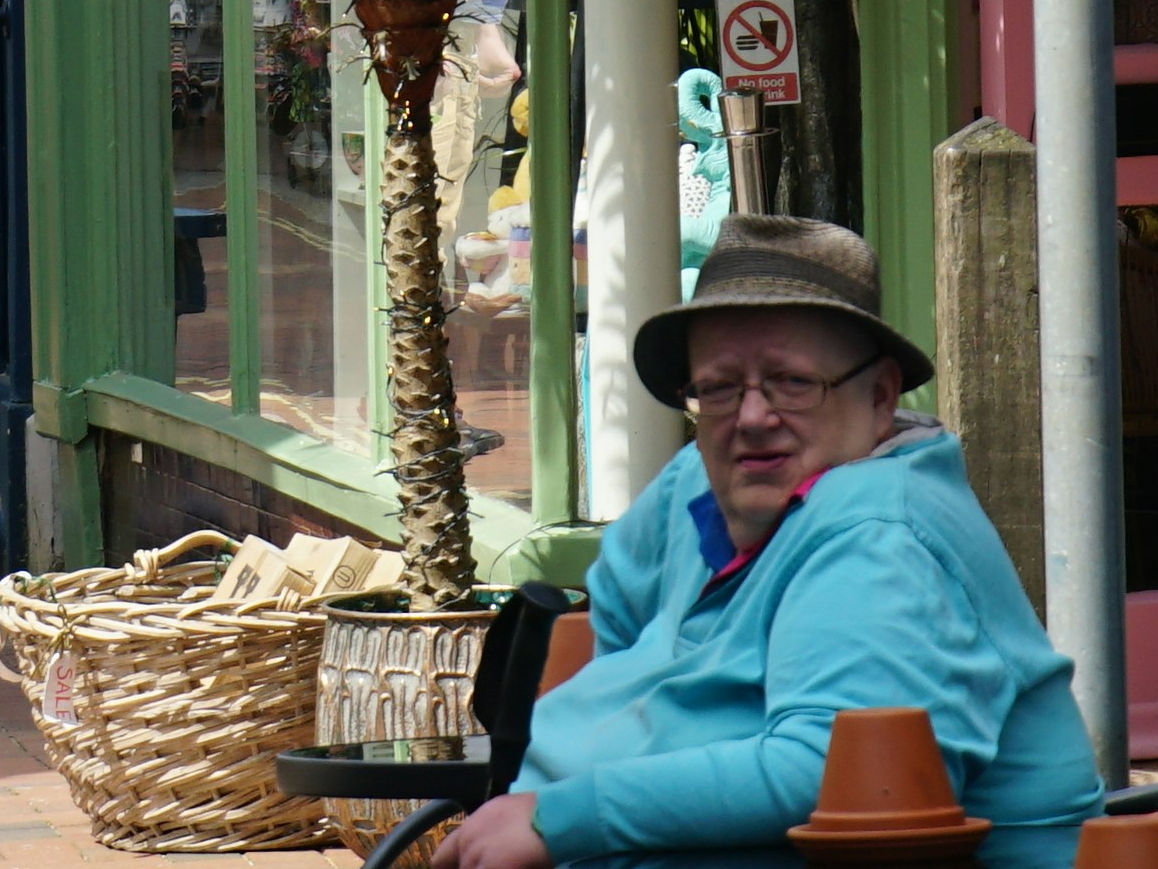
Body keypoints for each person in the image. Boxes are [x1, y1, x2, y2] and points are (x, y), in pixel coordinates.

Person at [435, 216, 1098, 869]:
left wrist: (563, 817)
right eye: (719, 388)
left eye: (793, 382)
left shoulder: (879, 533)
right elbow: (615, 627)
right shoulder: (699, 477)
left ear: (879, 396)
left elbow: (834, 773)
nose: (752, 417)